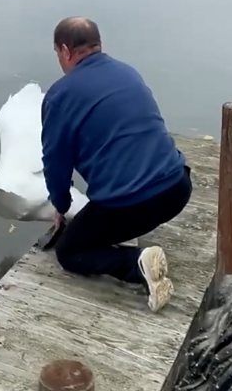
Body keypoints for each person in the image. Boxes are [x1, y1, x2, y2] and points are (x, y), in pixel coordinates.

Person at [41, 17, 192, 313]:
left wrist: (61, 205)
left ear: (64, 50)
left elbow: (55, 163)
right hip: (177, 187)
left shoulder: (60, 95)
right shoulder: (128, 72)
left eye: (58, 54)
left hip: (131, 203)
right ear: (99, 45)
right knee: (114, 213)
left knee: (70, 251)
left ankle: (137, 263)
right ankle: (134, 242)